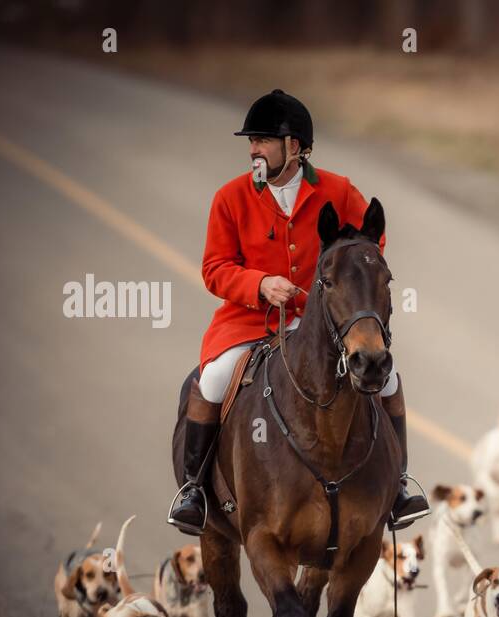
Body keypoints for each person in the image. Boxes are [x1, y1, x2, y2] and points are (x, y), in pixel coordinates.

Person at [168, 89, 428, 535]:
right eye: (251, 141)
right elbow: (214, 269)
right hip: (250, 321)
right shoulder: (230, 197)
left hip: (326, 323)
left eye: (263, 140)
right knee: (212, 378)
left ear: (294, 147)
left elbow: (371, 248)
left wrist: (342, 278)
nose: (253, 149)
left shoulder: (339, 190)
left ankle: (400, 485)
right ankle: (193, 489)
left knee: (389, 376)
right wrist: (260, 285)